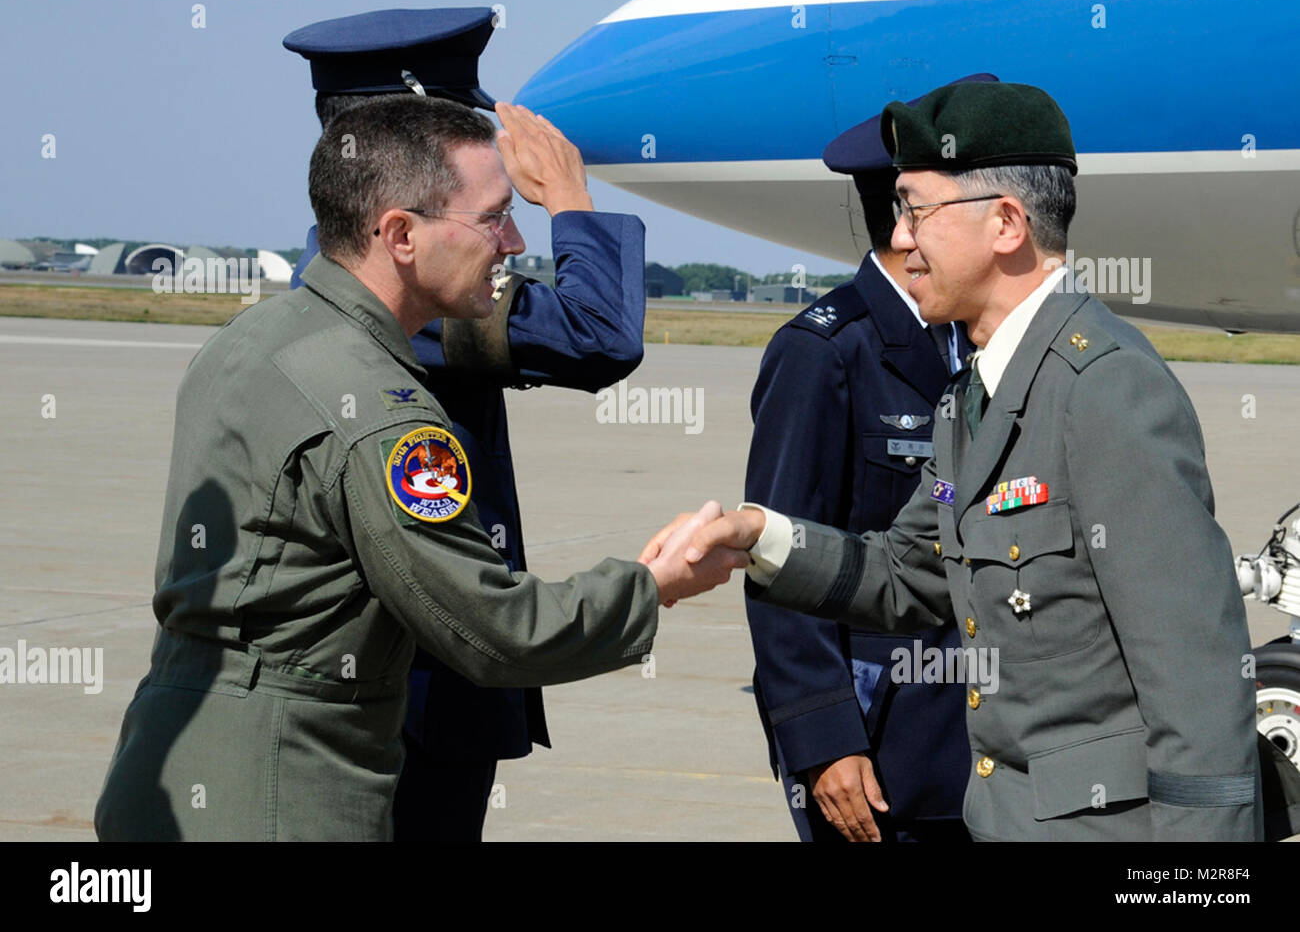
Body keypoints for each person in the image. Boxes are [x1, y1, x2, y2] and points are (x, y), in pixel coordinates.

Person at [94, 94, 745, 841]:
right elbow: (492, 630)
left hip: (167, 775)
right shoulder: (380, 409)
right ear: (401, 234)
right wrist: (653, 585)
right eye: (494, 216)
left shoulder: (253, 339)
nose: (513, 241)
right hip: (284, 795)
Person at [655, 80, 1262, 841]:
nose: (901, 236)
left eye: (916, 209)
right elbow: (906, 573)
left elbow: (1198, 687)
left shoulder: (1106, 389)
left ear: (1006, 223)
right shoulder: (973, 393)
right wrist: (757, 537)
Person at [282, 8, 648, 840]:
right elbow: (601, 336)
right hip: (411, 691)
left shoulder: (373, 281)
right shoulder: (404, 301)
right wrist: (572, 202)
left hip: (420, 685)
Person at [743, 92, 980, 842]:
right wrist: (822, 739)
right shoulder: (826, 351)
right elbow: (781, 556)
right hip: (877, 747)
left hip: (972, 744)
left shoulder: (975, 340)